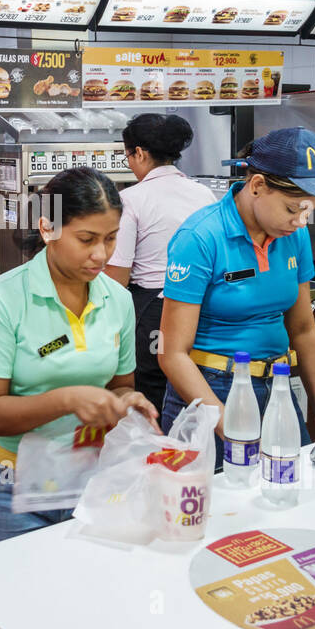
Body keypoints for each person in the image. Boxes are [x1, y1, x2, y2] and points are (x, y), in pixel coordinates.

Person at [0, 167, 158, 546]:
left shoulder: (117, 299)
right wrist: (68, 399)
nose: (100, 254)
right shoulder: (2, 300)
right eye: (86, 239)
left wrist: (126, 402)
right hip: (11, 489)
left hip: (90, 480)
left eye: (111, 238)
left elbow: (119, 386)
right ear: (48, 228)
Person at [158, 128, 315, 469]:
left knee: (291, 496)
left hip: (276, 388)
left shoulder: (293, 235)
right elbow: (172, 354)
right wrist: (231, 429)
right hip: (211, 393)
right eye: (293, 209)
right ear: (258, 185)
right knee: (218, 512)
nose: (300, 222)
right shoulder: (201, 237)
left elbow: (304, 330)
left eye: (309, 212)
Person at [104, 114, 217, 414]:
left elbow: (116, 278)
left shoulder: (130, 199)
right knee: (191, 388)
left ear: (139, 153)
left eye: (128, 155)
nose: (129, 162)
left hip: (153, 309)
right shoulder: (204, 194)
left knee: (151, 392)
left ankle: (156, 453)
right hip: (201, 303)